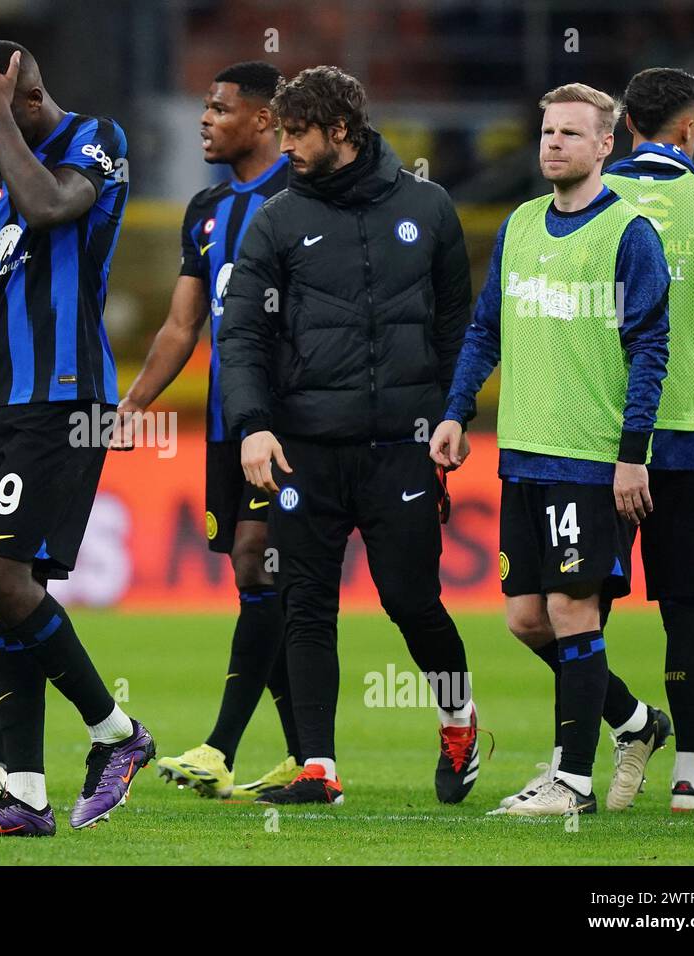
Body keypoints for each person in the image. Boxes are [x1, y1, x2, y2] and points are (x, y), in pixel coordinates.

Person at [220, 66, 480, 807]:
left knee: (411, 602)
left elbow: (457, 325)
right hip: (305, 447)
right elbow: (242, 335)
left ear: (340, 131)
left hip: (401, 446)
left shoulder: (429, 209)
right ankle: (320, 769)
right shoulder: (274, 218)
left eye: (297, 133)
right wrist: (254, 426)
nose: (285, 147)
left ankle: (458, 716)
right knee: (305, 604)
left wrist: (455, 413)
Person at [0, 40, 153, 838]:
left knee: (0, 576)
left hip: (65, 400)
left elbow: (53, 205)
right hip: (0, 406)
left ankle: (117, 735)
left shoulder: (98, 141)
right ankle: (23, 796)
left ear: (23, 96)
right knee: (0, 587)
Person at [430, 82, 671, 816]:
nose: (554, 144)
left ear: (606, 146)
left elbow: (650, 348)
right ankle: (635, 722)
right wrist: (454, 412)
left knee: (573, 610)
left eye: (571, 133)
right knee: (526, 620)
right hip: (523, 457)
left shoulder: (629, 235)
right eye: (546, 133)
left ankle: (571, 781)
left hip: (590, 460)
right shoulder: (521, 225)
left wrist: (633, 453)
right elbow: (484, 331)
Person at [114, 61, 301, 800]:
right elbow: (181, 324)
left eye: (220, 109)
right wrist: (133, 404)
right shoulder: (206, 209)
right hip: (228, 424)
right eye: (204, 106)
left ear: (264, 119)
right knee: (256, 578)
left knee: (260, 564)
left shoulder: (302, 196)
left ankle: (220, 747)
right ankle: (305, 753)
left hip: (288, 426)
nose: (204, 120)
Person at [573, 68, 694, 813]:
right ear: (691, 128)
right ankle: (690, 780)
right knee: (687, 613)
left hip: (595, 441)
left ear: (622, 127)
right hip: (691, 441)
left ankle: (574, 773)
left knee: (581, 612)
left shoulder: (587, 201)